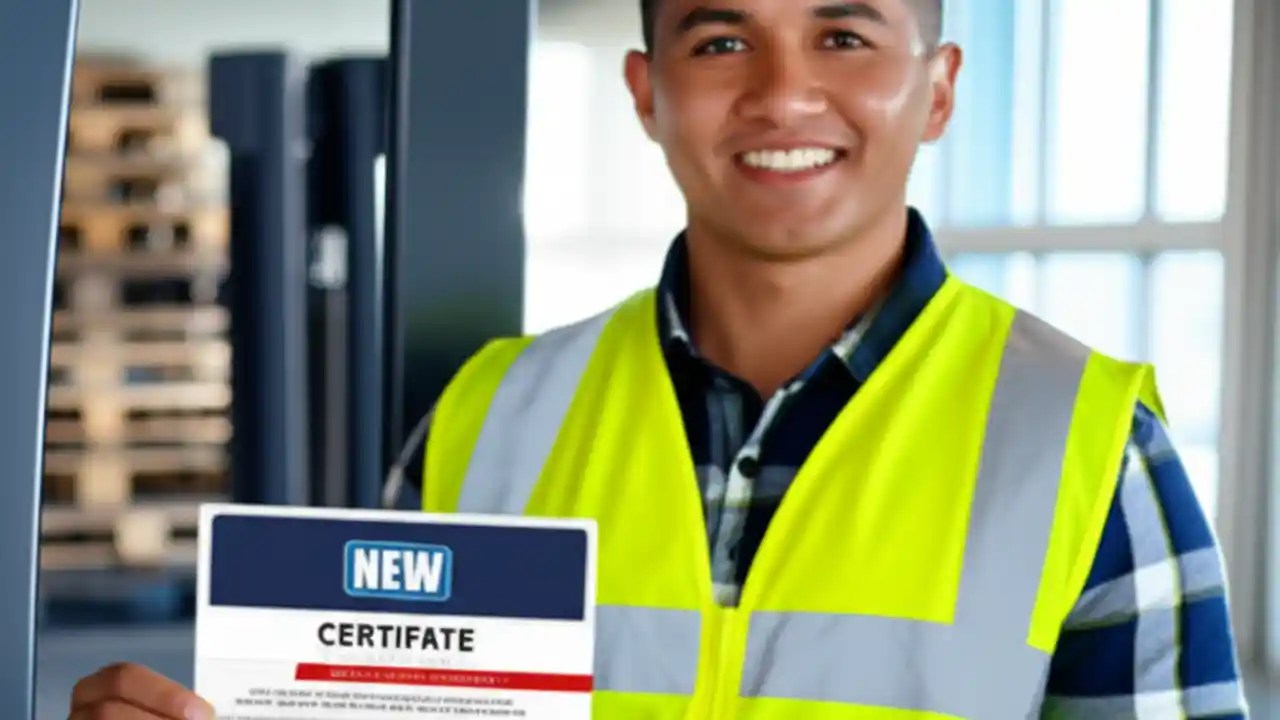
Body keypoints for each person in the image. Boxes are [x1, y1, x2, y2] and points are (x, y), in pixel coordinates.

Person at [70, 0, 1249, 717]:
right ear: (645, 92)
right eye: (722, 39)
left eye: (842, 35)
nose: (783, 92)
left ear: (935, 92)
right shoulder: (488, 421)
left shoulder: (1088, 455)